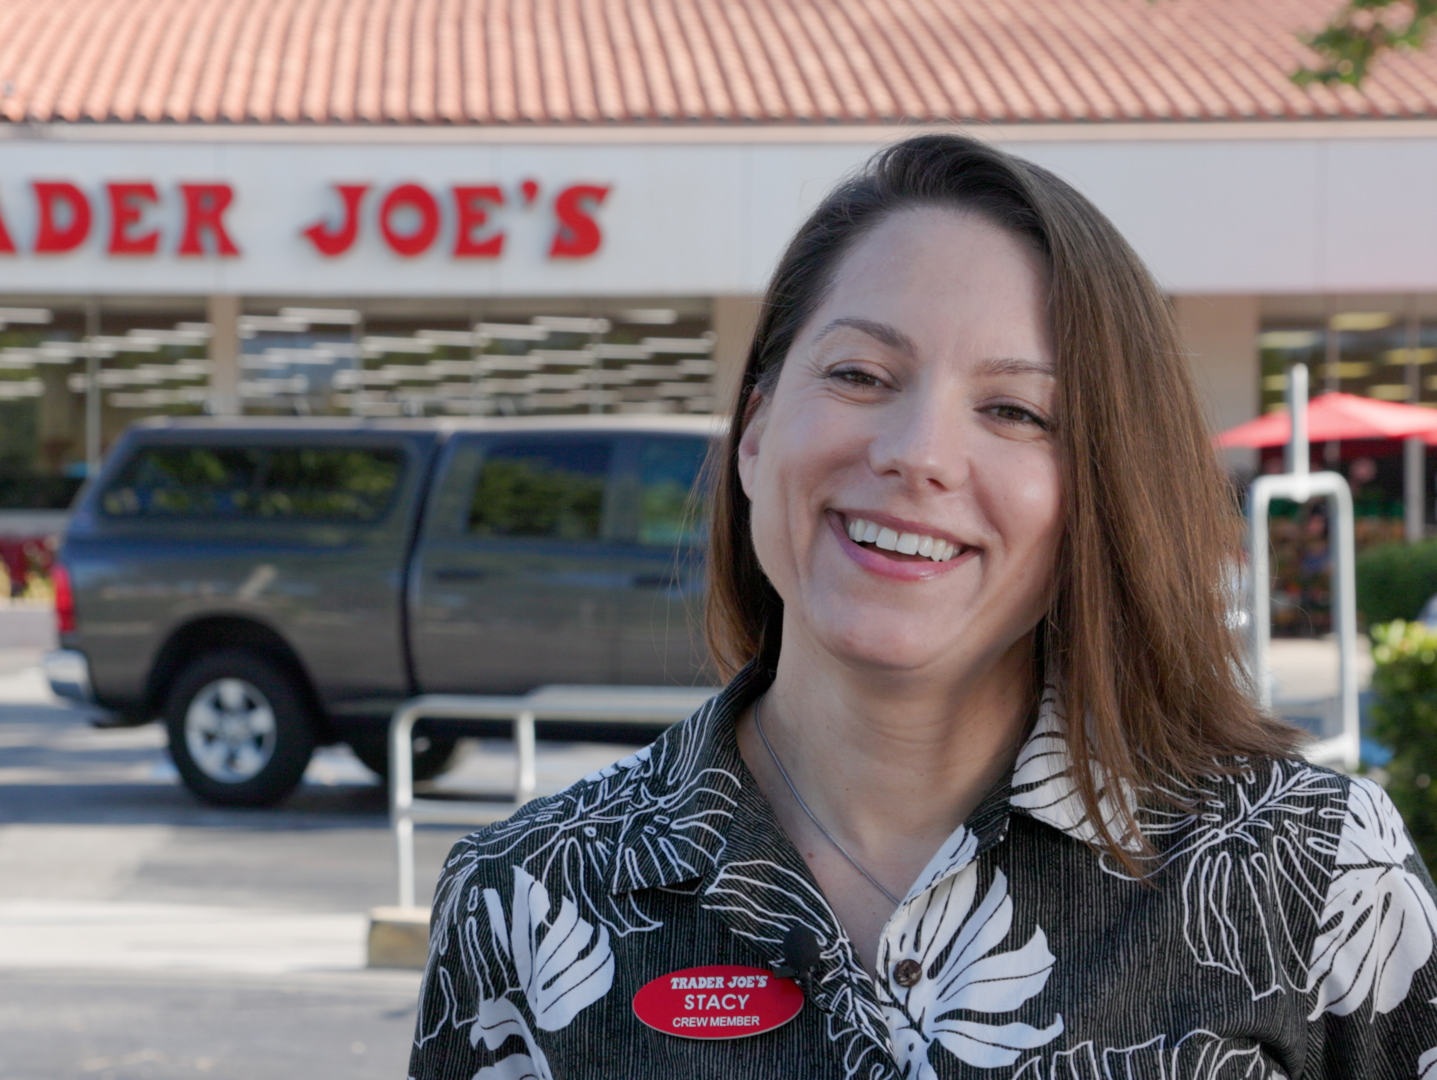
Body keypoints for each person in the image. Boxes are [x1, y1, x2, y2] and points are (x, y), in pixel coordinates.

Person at [405, 134, 1437, 1079]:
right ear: (756, 435)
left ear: (1101, 493)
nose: (917, 454)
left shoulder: (1313, 873)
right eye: (859, 374)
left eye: (1015, 410)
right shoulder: (525, 900)